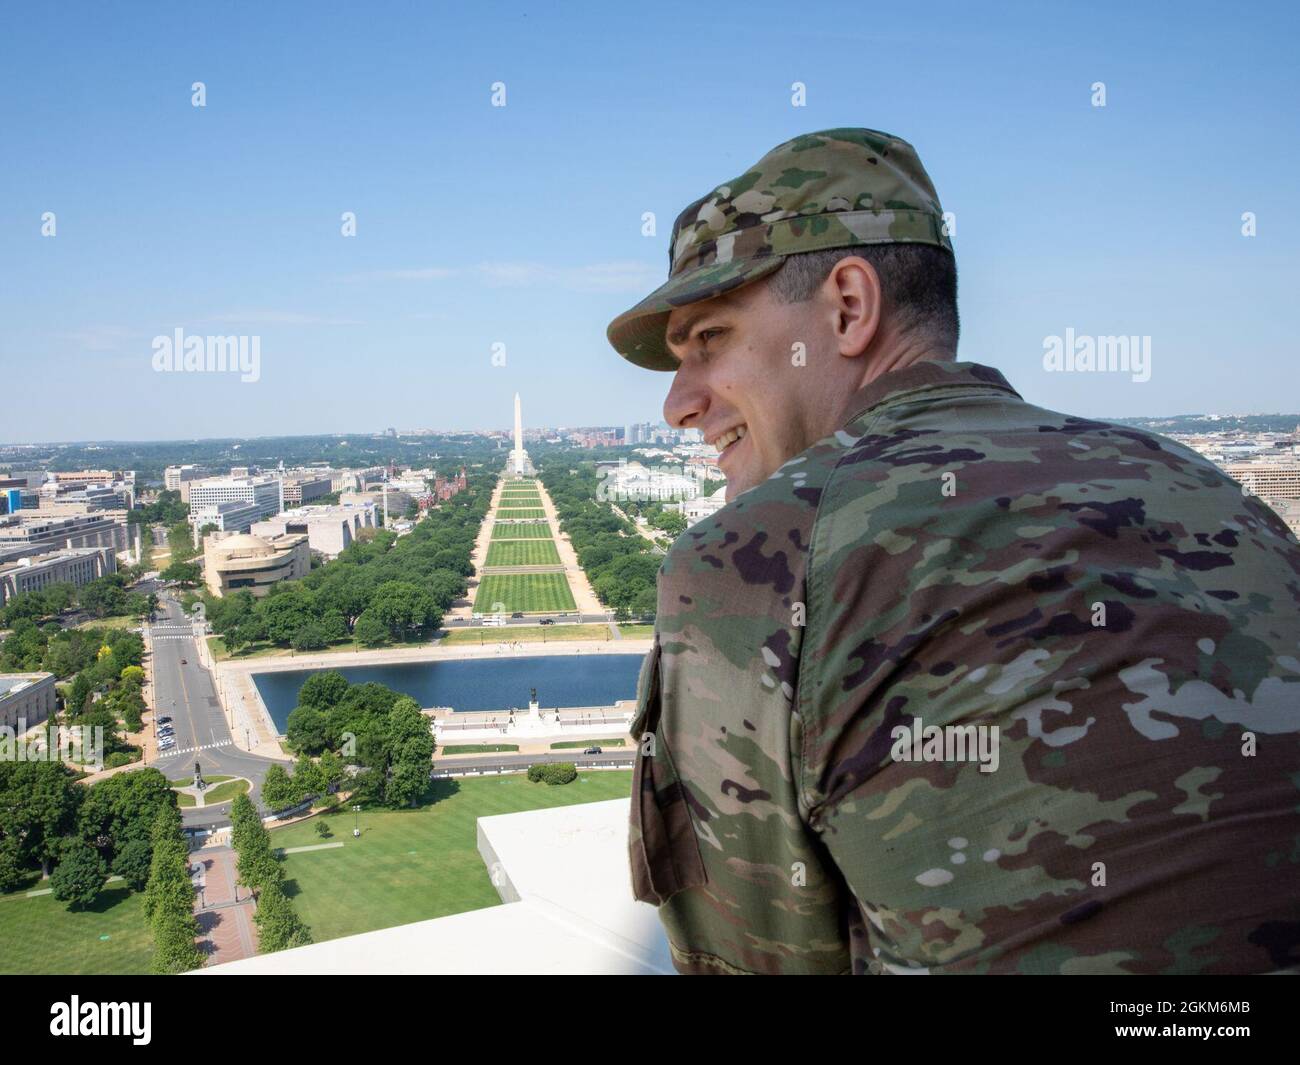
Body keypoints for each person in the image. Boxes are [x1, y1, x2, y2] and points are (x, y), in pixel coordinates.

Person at [606, 127, 1300, 975]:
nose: (679, 402)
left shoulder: (755, 560)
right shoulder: (1212, 492)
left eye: (708, 339)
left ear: (849, 307)